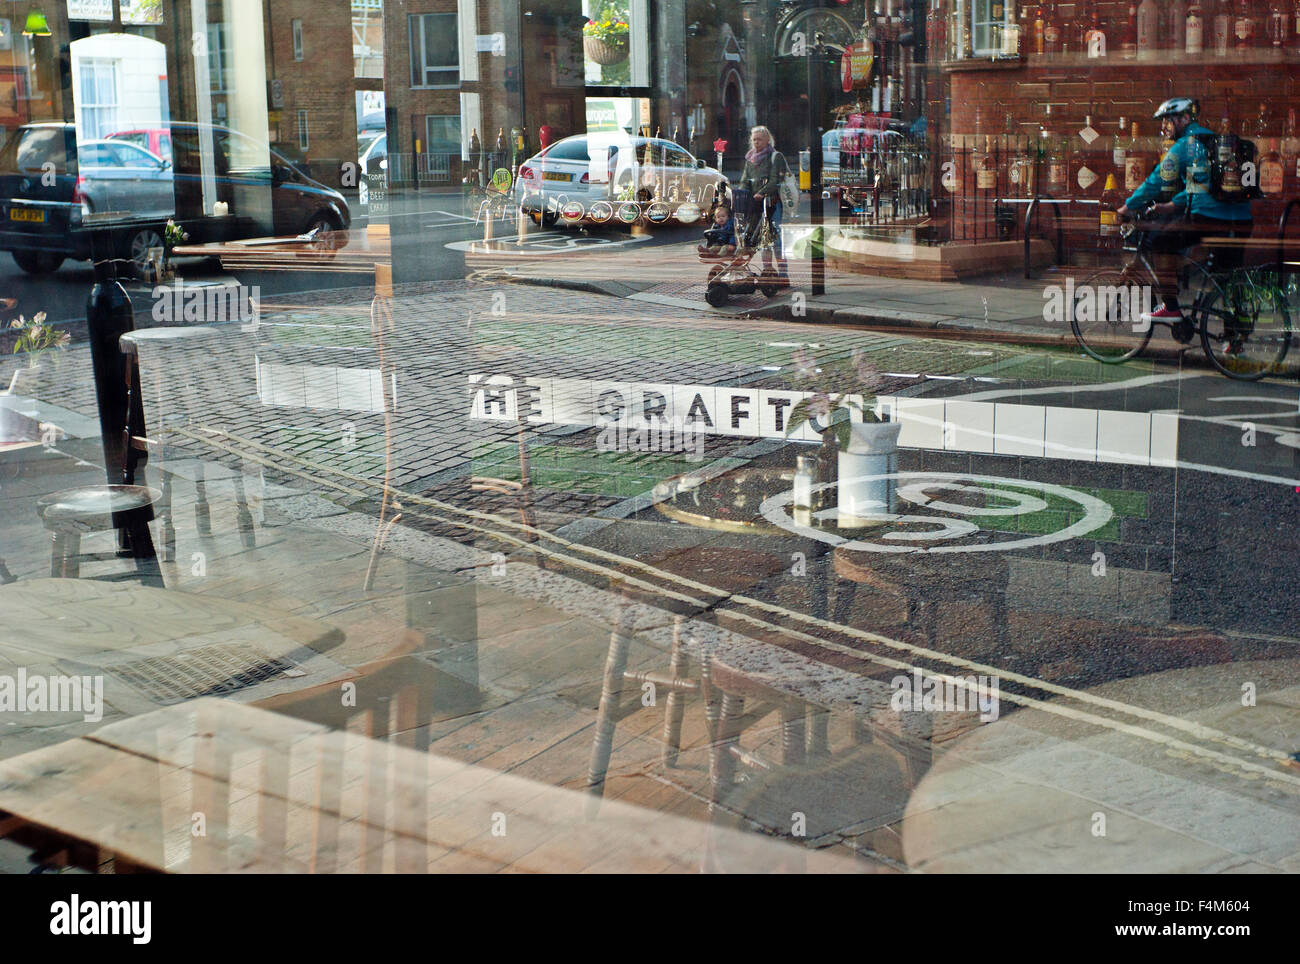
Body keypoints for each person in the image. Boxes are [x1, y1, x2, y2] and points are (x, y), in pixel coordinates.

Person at [1116, 97, 1254, 330]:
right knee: (1227, 276)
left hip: (1208, 217)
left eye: (1168, 121)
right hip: (1241, 219)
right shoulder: (1214, 142)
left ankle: (1171, 308)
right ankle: (1236, 334)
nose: (1164, 127)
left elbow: (1157, 180)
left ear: (1185, 119)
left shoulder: (1184, 145)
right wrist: (1171, 206)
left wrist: (1126, 207)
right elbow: (1203, 184)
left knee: (1159, 243)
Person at [738, 125, 790, 278]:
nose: (756, 142)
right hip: (756, 205)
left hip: (772, 203)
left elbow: (775, 180)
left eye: (759, 139)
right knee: (762, 241)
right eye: (754, 139)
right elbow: (744, 180)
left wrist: (761, 193)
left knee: (776, 239)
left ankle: (783, 274)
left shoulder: (776, 156)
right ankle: (768, 272)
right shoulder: (750, 158)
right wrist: (741, 194)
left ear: (768, 139)